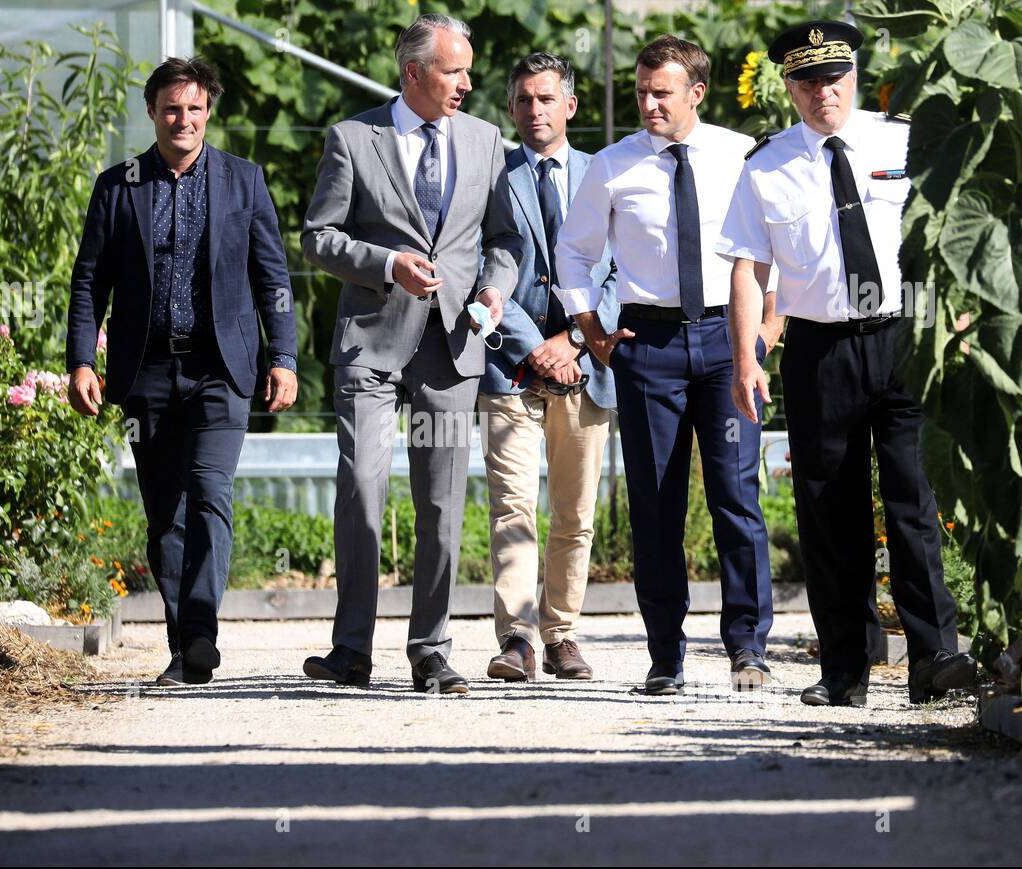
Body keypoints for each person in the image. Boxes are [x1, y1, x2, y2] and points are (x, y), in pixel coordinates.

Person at [717, 19, 976, 706]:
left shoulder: (903, 138)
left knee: (913, 502)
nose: (823, 92)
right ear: (789, 86)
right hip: (820, 349)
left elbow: (946, 229)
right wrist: (747, 355)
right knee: (830, 513)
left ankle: (935, 660)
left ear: (853, 76)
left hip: (904, 339)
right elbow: (749, 268)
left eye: (833, 77)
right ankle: (846, 671)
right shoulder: (764, 166)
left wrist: (959, 316)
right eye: (807, 80)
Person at [300, 14, 522, 694]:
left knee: (441, 503)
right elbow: (318, 237)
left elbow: (506, 241)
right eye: (454, 71)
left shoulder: (487, 142)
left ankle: (430, 651)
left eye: (468, 70)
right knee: (363, 492)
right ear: (414, 74)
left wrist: (492, 291)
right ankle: (351, 652)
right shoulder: (353, 138)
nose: (468, 83)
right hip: (371, 342)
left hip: (452, 348)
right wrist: (385, 262)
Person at [554, 35, 779, 695]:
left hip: (727, 341)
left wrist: (767, 330)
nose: (649, 103)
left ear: (697, 94)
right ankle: (666, 657)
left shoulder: (741, 155)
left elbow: (775, 248)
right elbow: (574, 251)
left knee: (738, 497)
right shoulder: (612, 166)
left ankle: (748, 649)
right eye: (642, 91)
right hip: (646, 346)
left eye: (663, 92)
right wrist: (589, 326)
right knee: (656, 505)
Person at [66, 57, 298, 687]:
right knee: (164, 510)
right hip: (146, 372)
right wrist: (82, 360)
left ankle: (200, 631)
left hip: (222, 367)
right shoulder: (119, 186)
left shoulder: (243, 181)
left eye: (194, 108)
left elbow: (272, 279)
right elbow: (89, 282)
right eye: (172, 108)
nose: (184, 120)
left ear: (208, 112)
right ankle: (182, 641)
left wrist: (283, 356)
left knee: (211, 492)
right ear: (153, 113)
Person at [478, 53, 618, 683]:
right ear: (511, 109)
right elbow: (480, 268)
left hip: (586, 367)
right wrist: (536, 343)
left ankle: (562, 635)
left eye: (546, 98)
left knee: (575, 513)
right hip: (509, 365)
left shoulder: (604, 174)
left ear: (570, 105)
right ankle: (517, 638)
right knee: (512, 507)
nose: (535, 110)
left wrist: (574, 342)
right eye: (523, 100)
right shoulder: (491, 177)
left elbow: (621, 272)